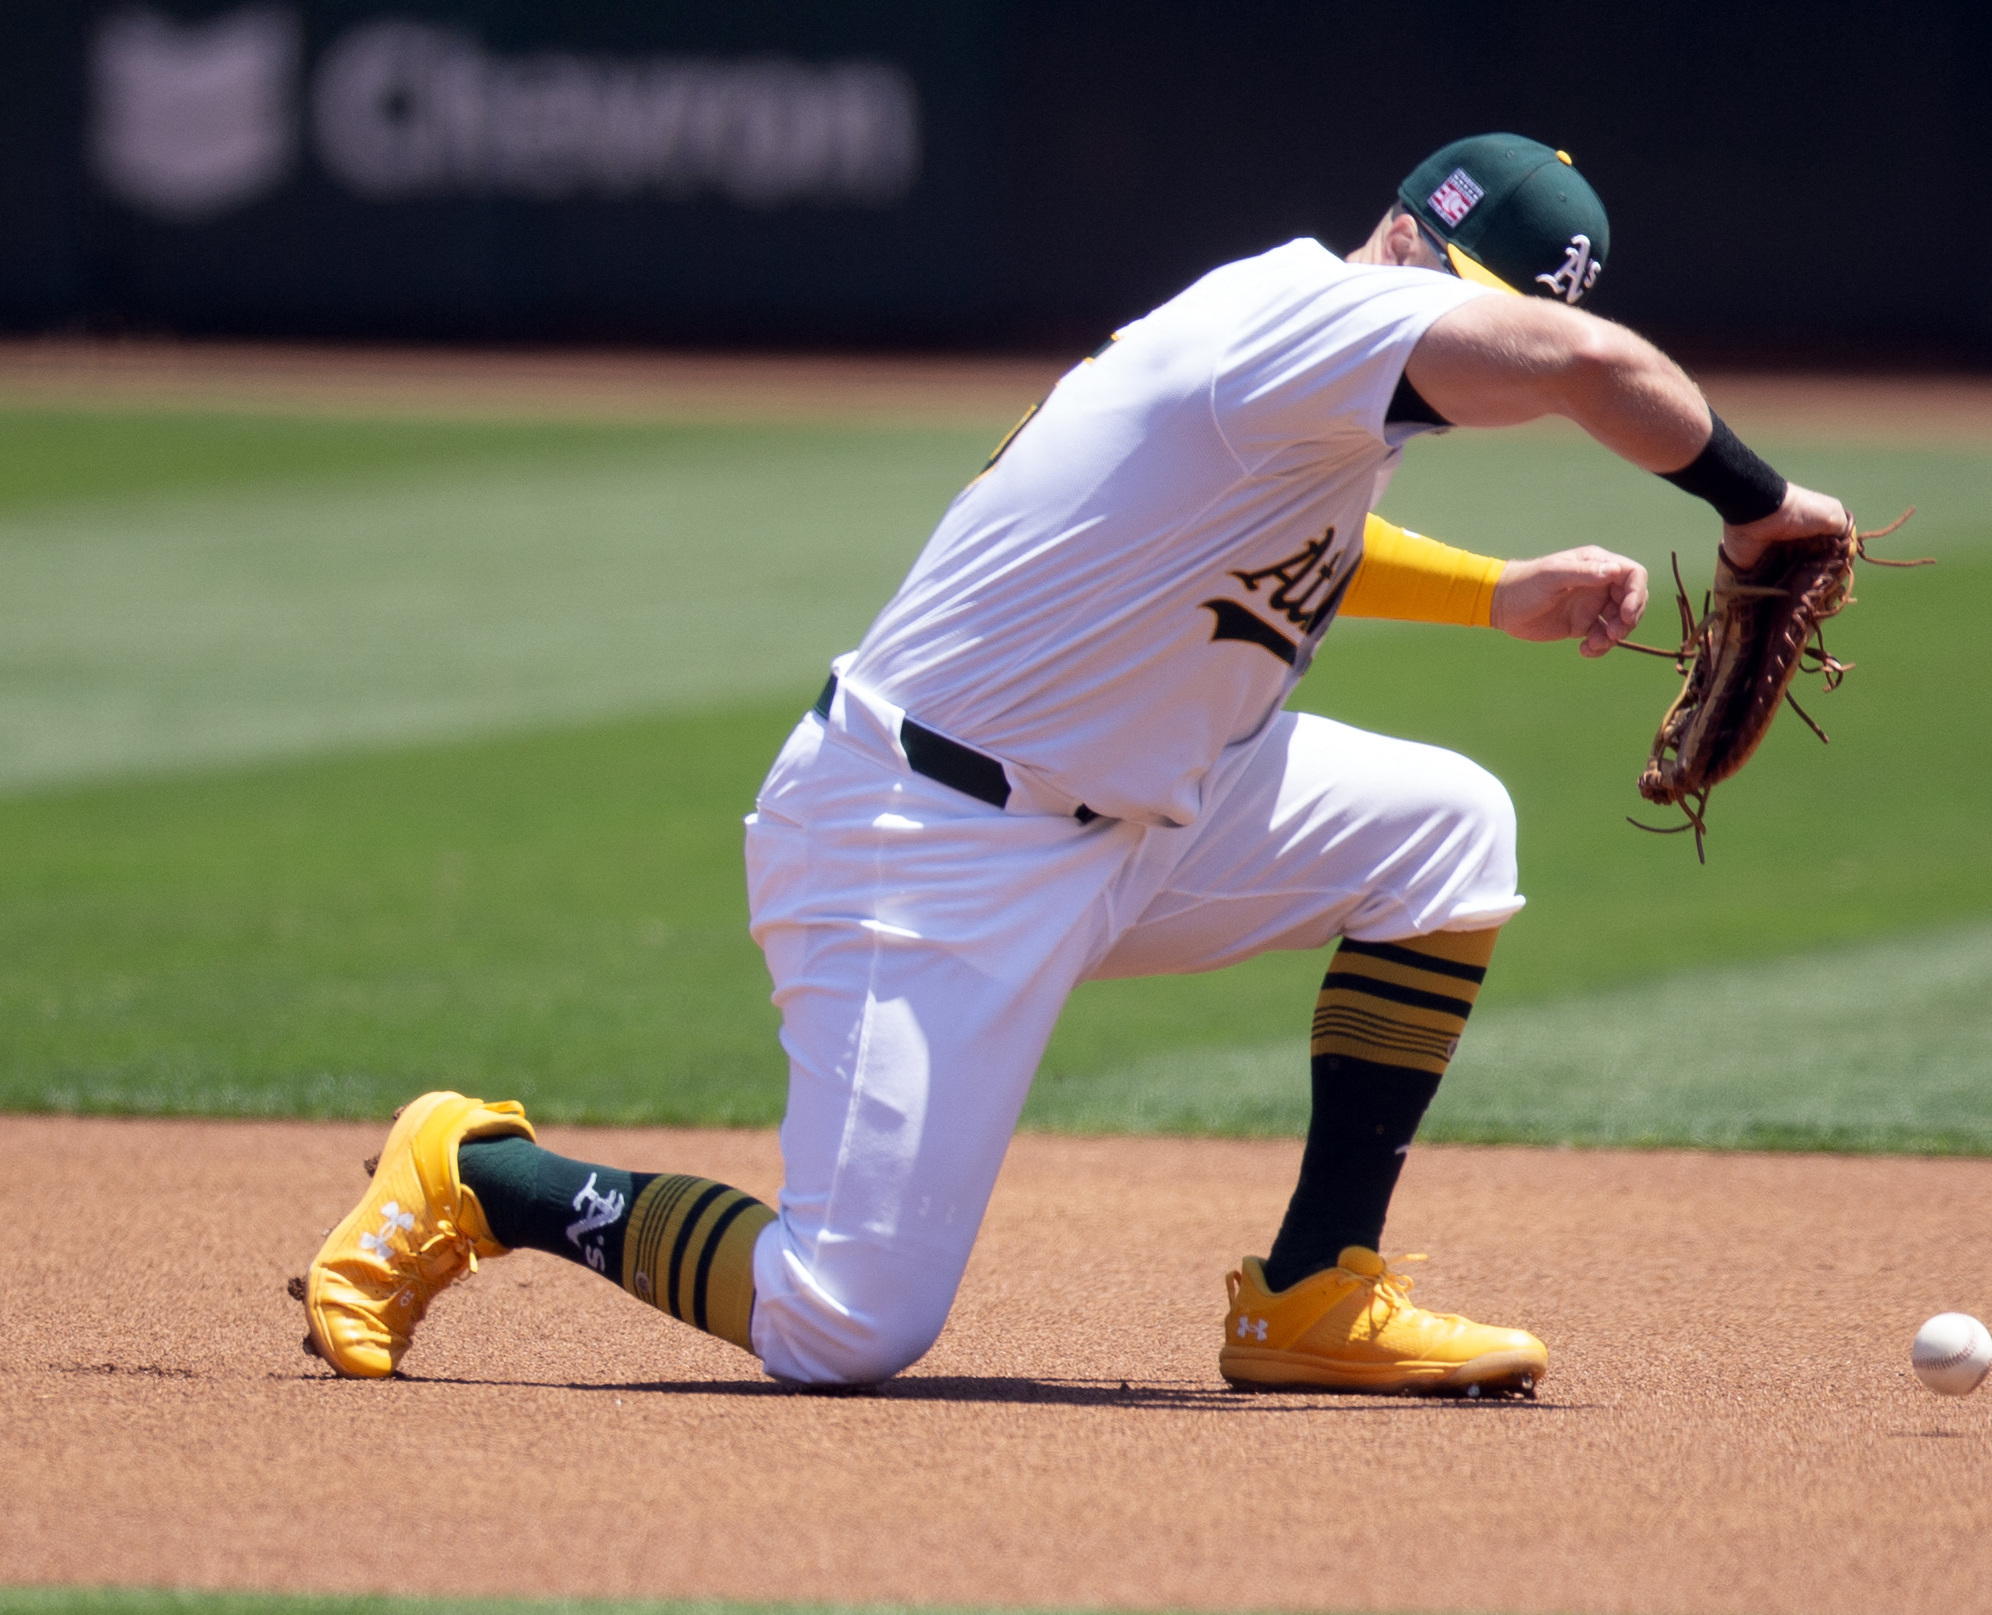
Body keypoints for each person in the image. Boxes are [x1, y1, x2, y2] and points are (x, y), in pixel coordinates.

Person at [300, 135, 1849, 1396]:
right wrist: (1754, 499)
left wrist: (1490, 591)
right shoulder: (1308, 313)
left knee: (1447, 825)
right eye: (1448, 287)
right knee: (846, 1321)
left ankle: (1312, 1292)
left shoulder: (1300, 376)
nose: (1438, 318)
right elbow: (1578, 360)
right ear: (1398, 231)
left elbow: (1253, 541)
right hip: (920, 835)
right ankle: (478, 1171)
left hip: (1143, 816)